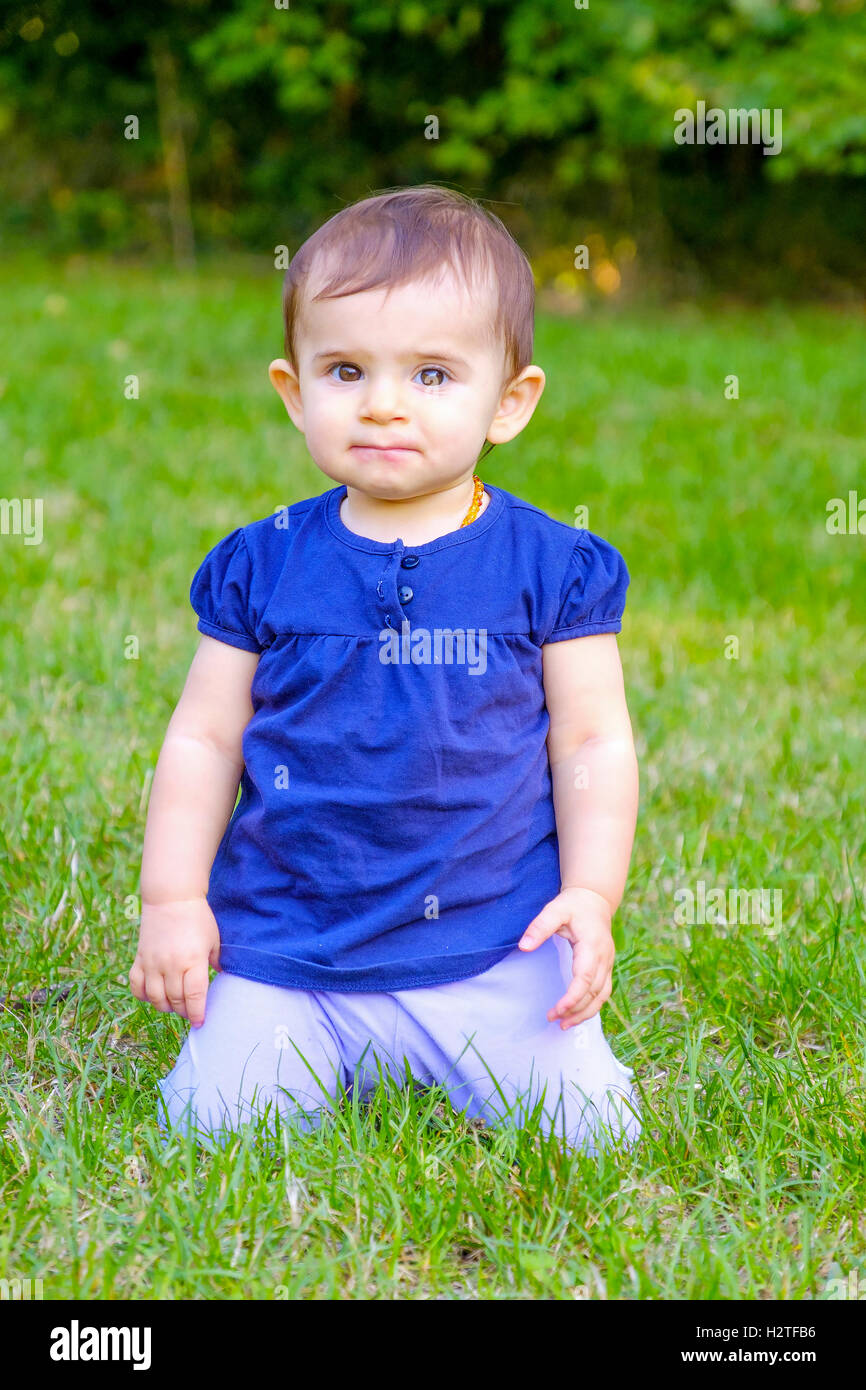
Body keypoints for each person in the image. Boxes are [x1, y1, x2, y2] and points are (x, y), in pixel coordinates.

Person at [129, 184, 642, 1156]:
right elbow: (202, 737)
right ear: (293, 389)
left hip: (493, 949)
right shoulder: (262, 562)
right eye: (346, 368)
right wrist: (173, 898)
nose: (382, 404)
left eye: (433, 375)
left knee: (593, 1132)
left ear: (510, 401)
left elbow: (590, 738)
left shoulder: (552, 567)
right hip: (290, 947)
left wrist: (592, 891)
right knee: (207, 1127)